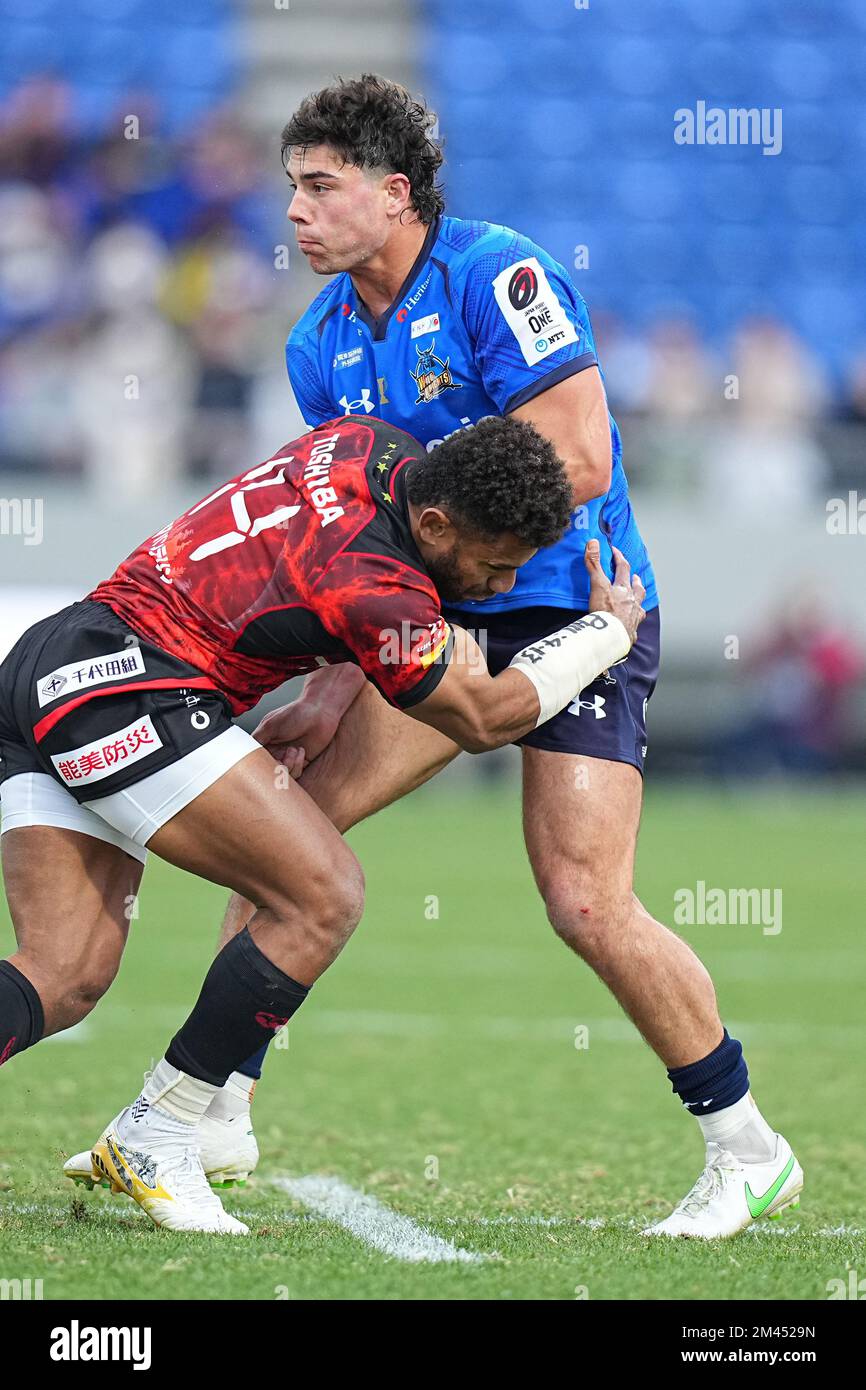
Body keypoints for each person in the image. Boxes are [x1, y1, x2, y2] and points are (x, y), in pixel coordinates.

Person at [162, 74, 800, 1240]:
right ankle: (208, 1112)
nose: (294, 213)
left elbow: (584, 456)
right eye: (289, 189)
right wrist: (337, 675)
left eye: (319, 187)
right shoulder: (317, 346)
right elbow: (360, 542)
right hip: (433, 623)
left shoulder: (495, 277)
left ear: (392, 193)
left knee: (582, 899)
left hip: (572, 604)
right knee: (286, 830)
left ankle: (743, 1145)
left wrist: (477, 547)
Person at [0, 412, 644, 1233]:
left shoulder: (367, 441)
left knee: (65, 972)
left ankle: (158, 1133)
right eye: (493, 565)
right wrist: (602, 636)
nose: (501, 589)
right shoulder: (378, 585)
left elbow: (307, 578)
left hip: (51, 661)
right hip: (132, 690)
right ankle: (157, 1134)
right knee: (324, 895)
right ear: (436, 523)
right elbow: (483, 719)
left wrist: (316, 687)